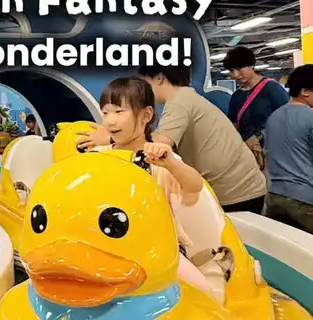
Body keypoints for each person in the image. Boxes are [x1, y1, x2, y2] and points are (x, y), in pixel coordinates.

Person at [82, 77, 226, 300]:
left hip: (156, 248)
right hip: (107, 245)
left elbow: (195, 185)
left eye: (119, 111)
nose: (110, 121)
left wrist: (171, 163)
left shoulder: (157, 157)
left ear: (146, 115)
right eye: (106, 113)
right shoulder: (97, 156)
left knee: (205, 294)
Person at [81, 65, 266, 214]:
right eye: (105, 113)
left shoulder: (179, 102)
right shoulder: (186, 97)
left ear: (159, 78)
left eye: (145, 82)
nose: (110, 120)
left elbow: (158, 144)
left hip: (236, 192)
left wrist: (110, 139)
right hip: (240, 185)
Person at [263, 65, 313, 234]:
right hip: (305, 200)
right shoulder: (310, 117)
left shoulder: (273, 117)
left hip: (275, 196)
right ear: (305, 91)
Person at [223, 46, 289, 167]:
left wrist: (261, 137)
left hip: (272, 151)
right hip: (248, 153)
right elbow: (234, 126)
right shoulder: (237, 96)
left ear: (251, 65)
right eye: (231, 70)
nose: (235, 74)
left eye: (239, 69)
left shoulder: (272, 88)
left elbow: (287, 119)